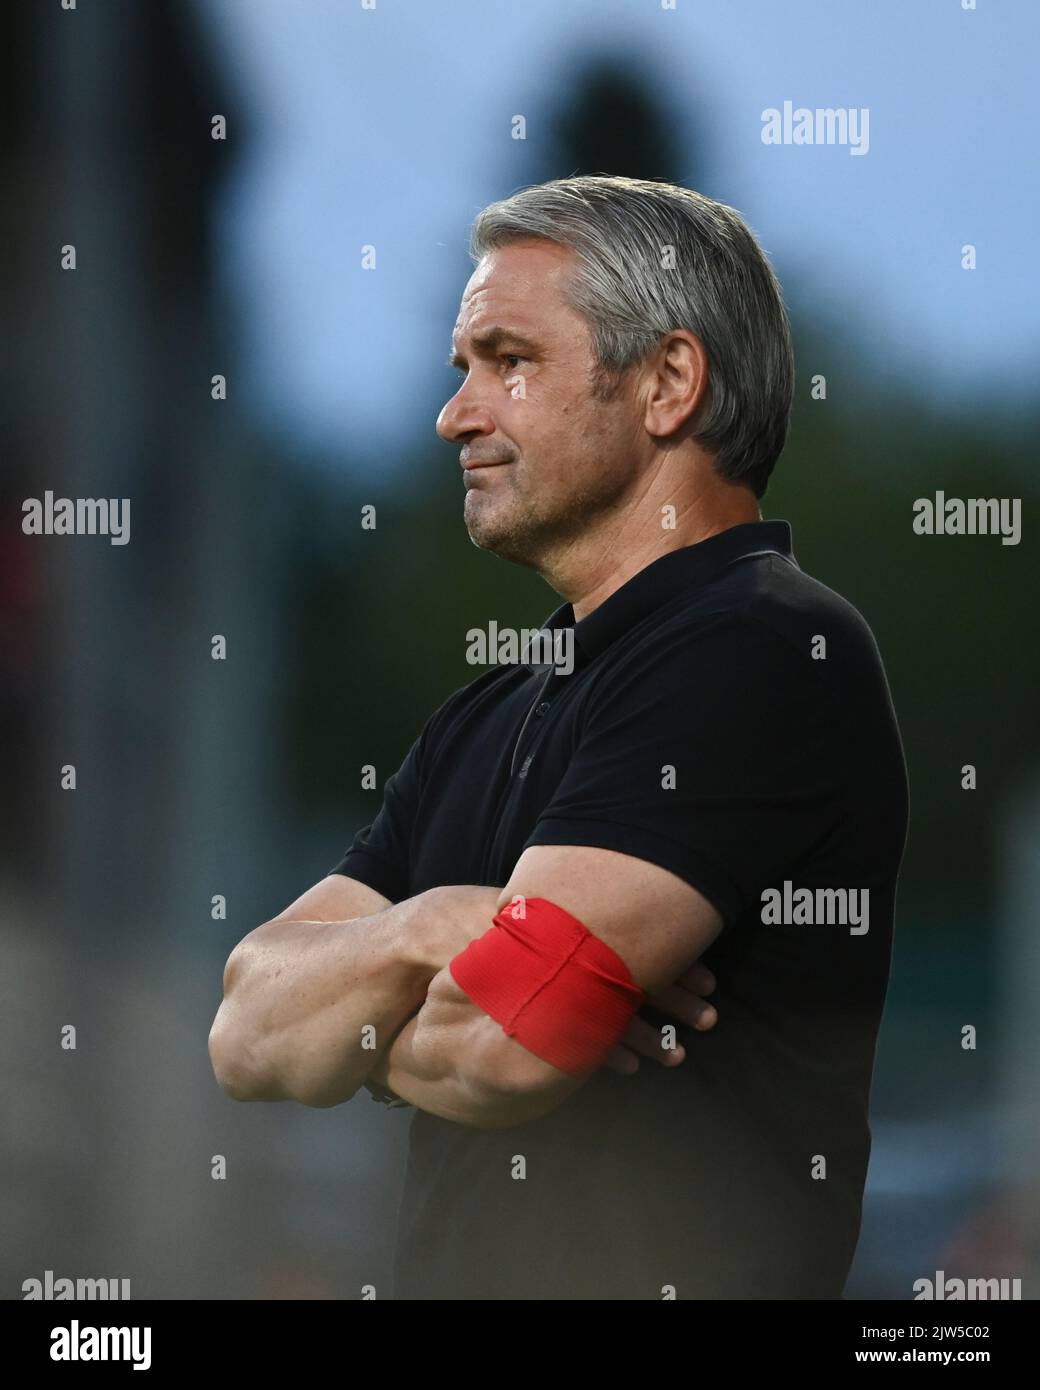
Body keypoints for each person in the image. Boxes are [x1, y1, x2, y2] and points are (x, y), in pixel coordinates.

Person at [209, 175, 909, 1300]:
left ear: (668, 383)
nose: (457, 414)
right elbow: (245, 1032)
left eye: (509, 360)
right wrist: (444, 929)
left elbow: (503, 1049)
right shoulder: (486, 712)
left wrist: (379, 1006)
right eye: (461, 368)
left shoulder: (765, 646)